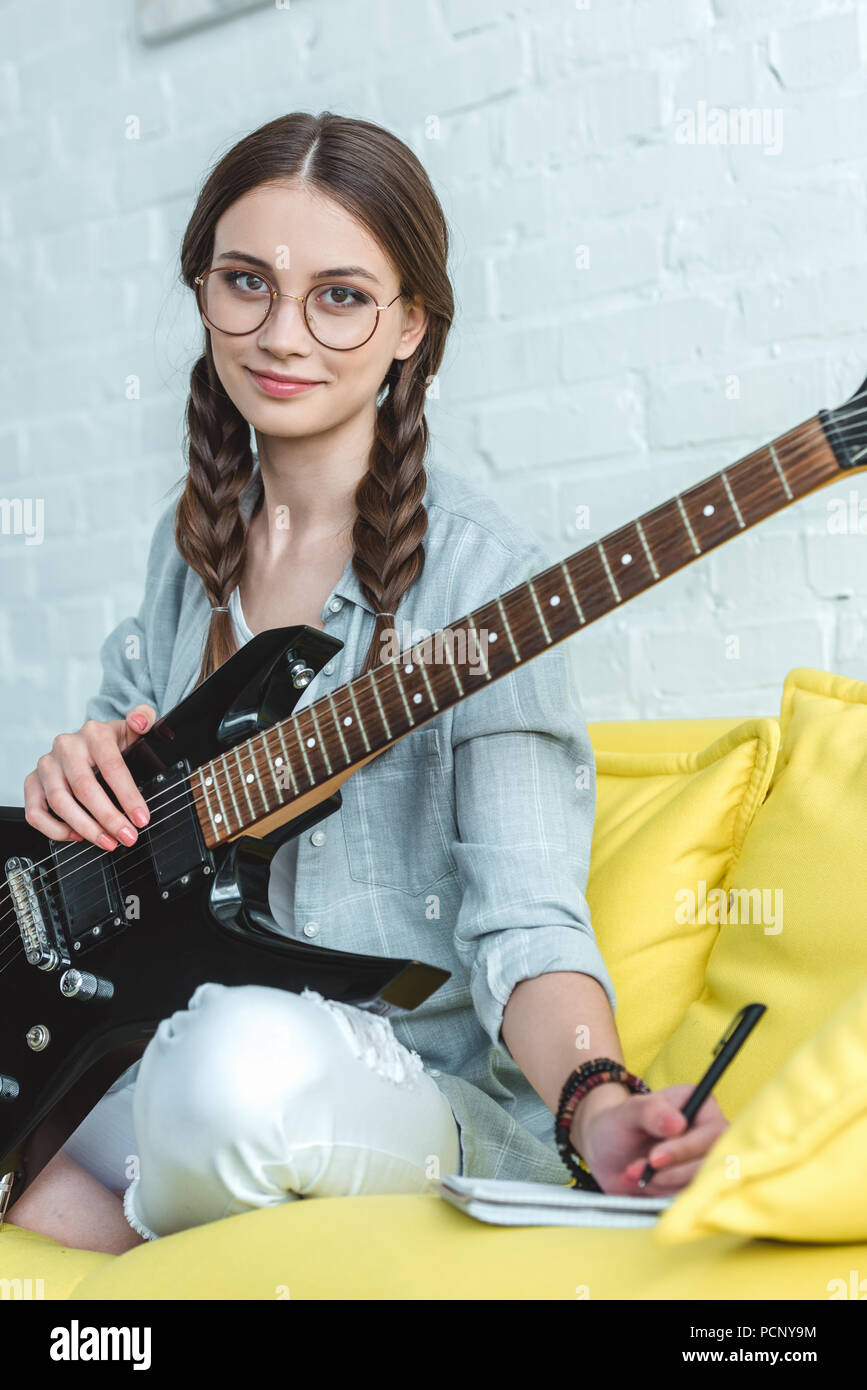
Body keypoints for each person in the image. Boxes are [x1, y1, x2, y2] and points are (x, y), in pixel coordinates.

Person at [8, 111, 726, 1256]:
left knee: (238, 1063)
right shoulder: (182, 553)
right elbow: (103, 816)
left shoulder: (488, 581)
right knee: (188, 1065)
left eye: (339, 295)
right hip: (163, 1052)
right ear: (202, 292)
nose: (281, 333)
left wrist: (598, 1099)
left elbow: (528, 921)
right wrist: (70, 776)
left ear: (409, 325)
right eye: (246, 282)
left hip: (384, 1094)